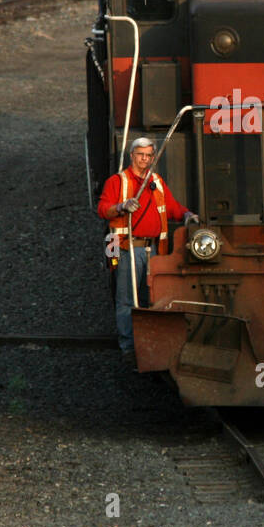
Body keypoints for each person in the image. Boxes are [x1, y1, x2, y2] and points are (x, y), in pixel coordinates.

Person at [97, 137, 198, 369]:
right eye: (141, 154)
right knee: (126, 300)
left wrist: (186, 215)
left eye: (149, 155)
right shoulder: (117, 181)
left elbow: (171, 207)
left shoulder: (157, 182)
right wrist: (121, 206)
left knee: (149, 298)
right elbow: (103, 209)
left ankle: (149, 347)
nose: (145, 159)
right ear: (132, 155)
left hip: (153, 249)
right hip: (127, 248)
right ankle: (129, 348)